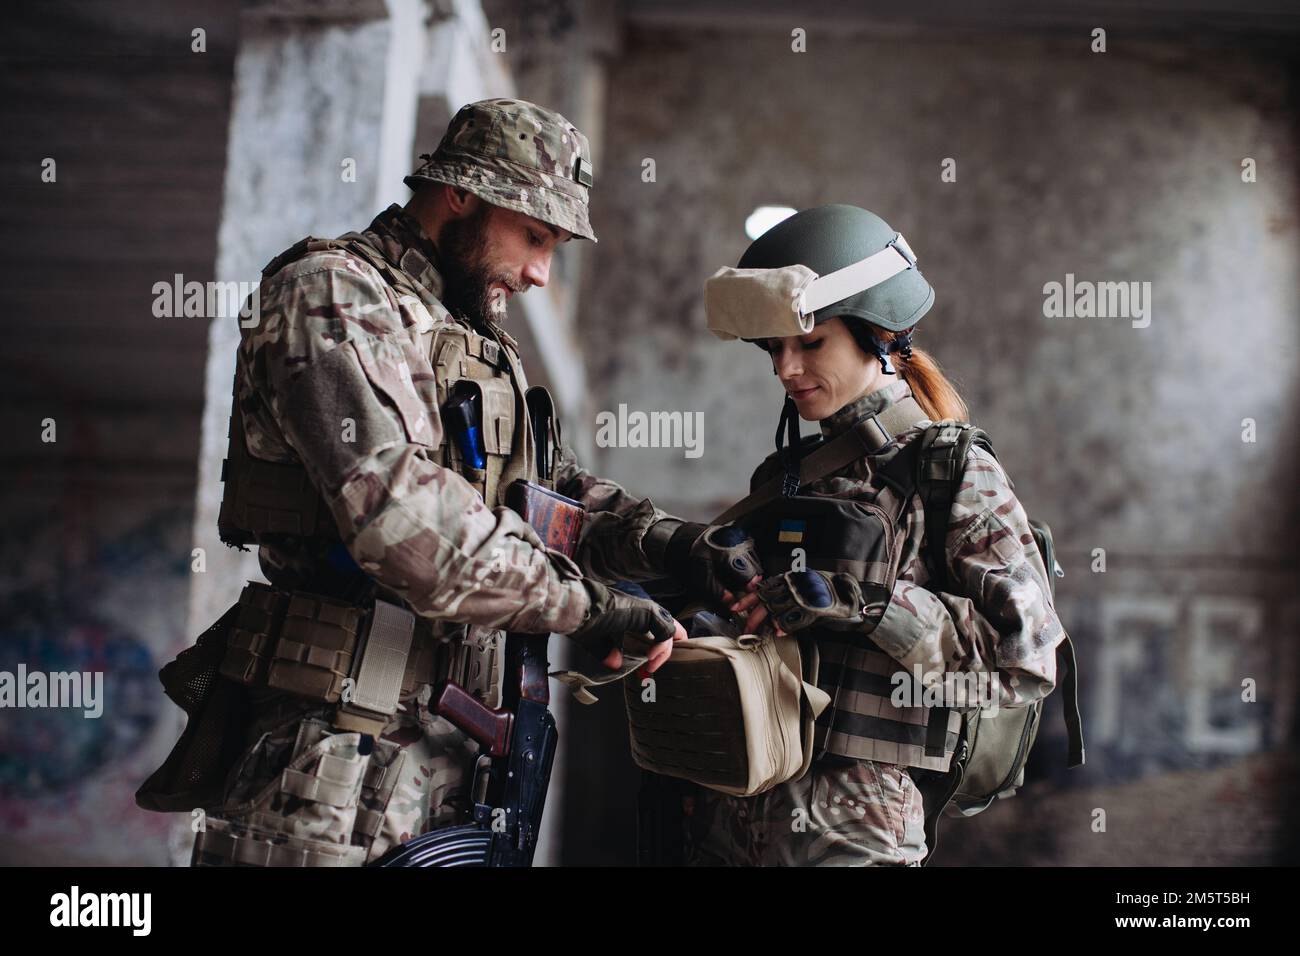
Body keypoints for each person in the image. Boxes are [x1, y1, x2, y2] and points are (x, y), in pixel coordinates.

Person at [135, 98, 756, 867]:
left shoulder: (466, 335)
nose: (538, 273)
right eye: (534, 236)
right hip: (335, 755)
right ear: (460, 192)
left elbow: (543, 496)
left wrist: (672, 547)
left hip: (453, 755)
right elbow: (401, 517)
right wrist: (589, 609)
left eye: (554, 245)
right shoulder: (335, 294)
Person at [676, 203, 1068, 866]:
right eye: (774, 347)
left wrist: (863, 604)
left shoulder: (949, 471)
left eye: (810, 343)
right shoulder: (789, 476)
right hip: (736, 811)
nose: (785, 368)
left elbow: (1024, 655)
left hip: (856, 828)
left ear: (877, 334)